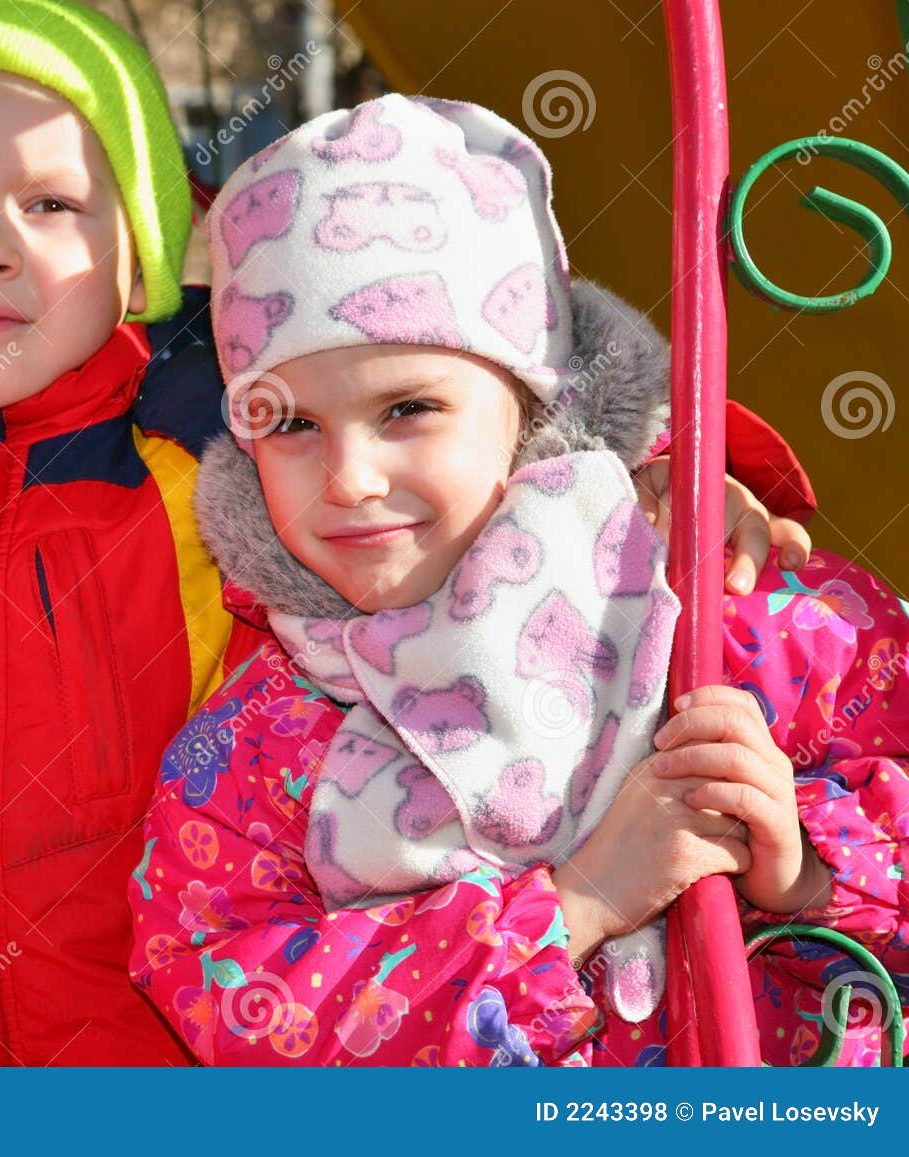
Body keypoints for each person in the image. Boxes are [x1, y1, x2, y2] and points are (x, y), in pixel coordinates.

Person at [128, 94, 908, 1066]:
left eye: (408, 406)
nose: (351, 479)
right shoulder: (261, 745)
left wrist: (807, 867)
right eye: (290, 424)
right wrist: (575, 903)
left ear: (529, 406)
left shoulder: (734, 612)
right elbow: (236, 996)